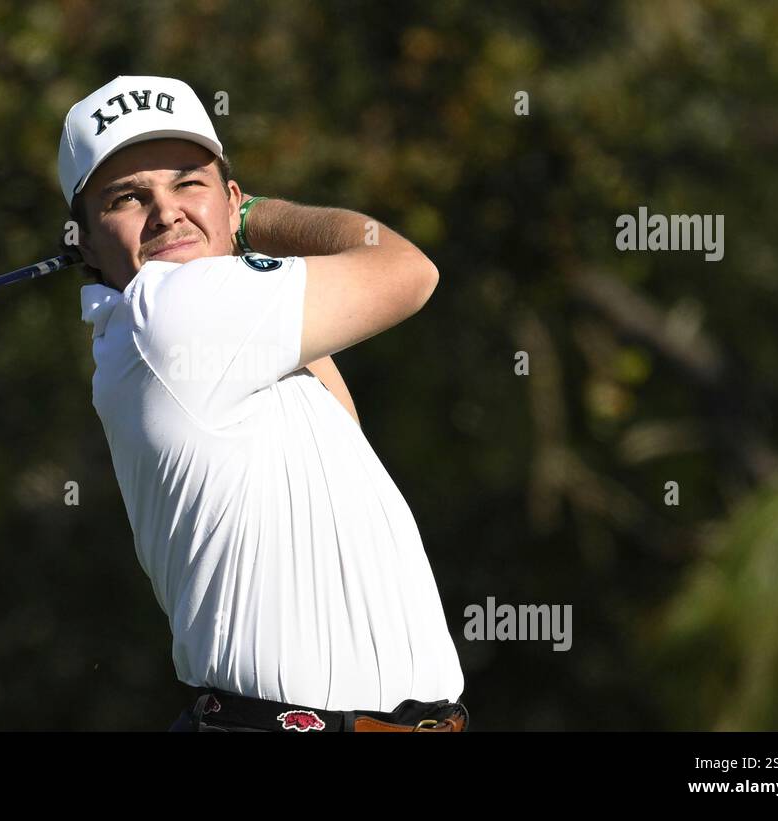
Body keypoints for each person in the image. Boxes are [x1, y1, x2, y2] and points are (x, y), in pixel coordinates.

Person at [58, 75, 467, 732]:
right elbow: (406, 270)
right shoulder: (167, 315)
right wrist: (256, 220)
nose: (167, 212)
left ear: (226, 195)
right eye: (130, 198)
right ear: (83, 244)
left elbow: (343, 422)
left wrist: (241, 233)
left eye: (187, 182)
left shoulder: (227, 335)